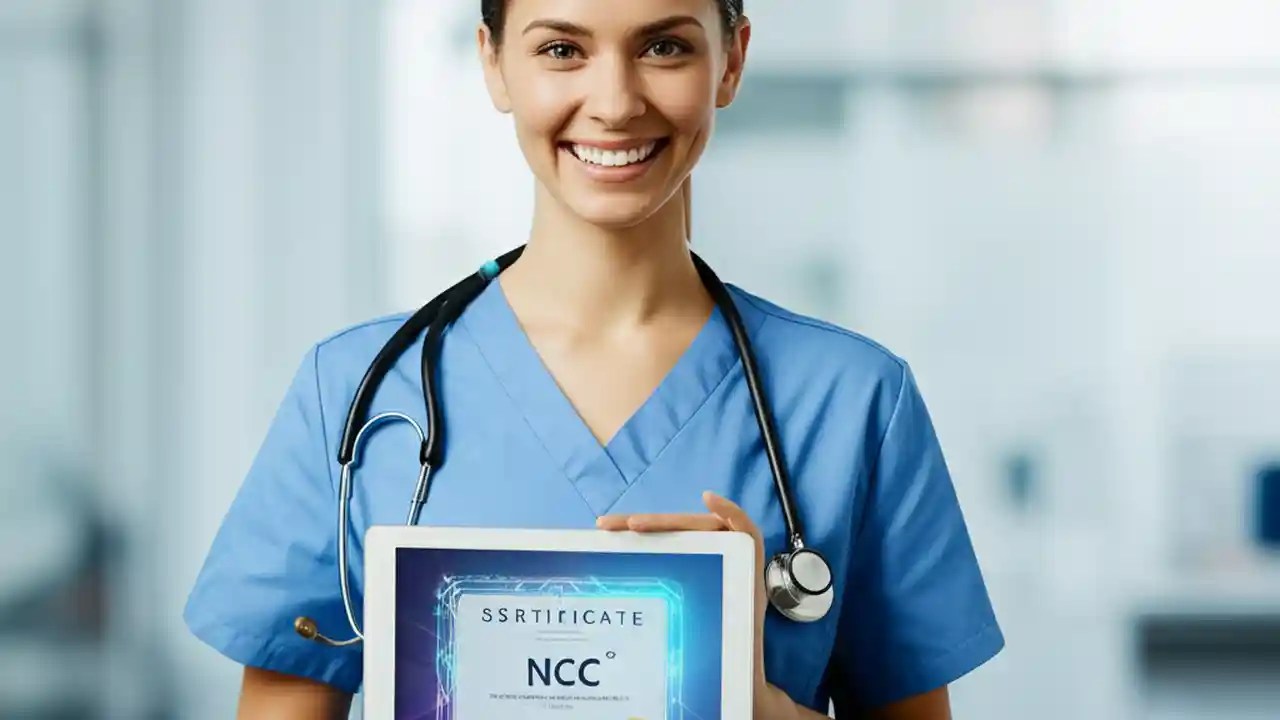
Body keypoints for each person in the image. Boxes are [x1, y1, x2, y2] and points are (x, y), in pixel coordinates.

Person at [182, 0, 1005, 717]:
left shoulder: (853, 402)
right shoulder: (356, 393)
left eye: (665, 47)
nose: (613, 103)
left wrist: (766, 713)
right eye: (561, 50)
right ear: (493, 64)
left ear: (733, 60)